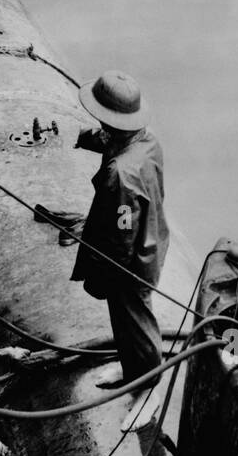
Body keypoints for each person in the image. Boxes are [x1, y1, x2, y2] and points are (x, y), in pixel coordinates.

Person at [71, 71, 170, 388]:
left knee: (133, 317)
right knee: (131, 315)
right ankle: (135, 367)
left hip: (132, 260)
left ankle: (145, 380)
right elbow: (114, 142)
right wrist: (87, 138)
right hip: (154, 236)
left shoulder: (121, 175)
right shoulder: (147, 140)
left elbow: (121, 238)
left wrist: (101, 275)